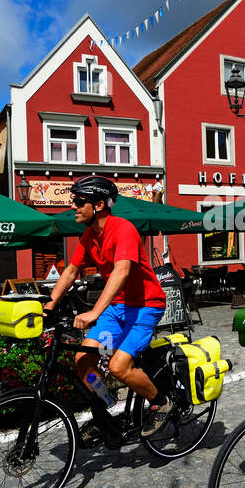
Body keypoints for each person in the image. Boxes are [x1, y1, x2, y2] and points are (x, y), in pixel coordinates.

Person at [44, 175, 172, 442]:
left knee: (118, 366)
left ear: (99, 204)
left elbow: (122, 271)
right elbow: (70, 271)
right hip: (118, 309)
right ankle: (106, 406)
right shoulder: (90, 236)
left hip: (144, 307)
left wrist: (94, 312)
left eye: (79, 202)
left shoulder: (123, 229)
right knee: (84, 359)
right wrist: (51, 303)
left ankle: (161, 402)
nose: (74, 207)